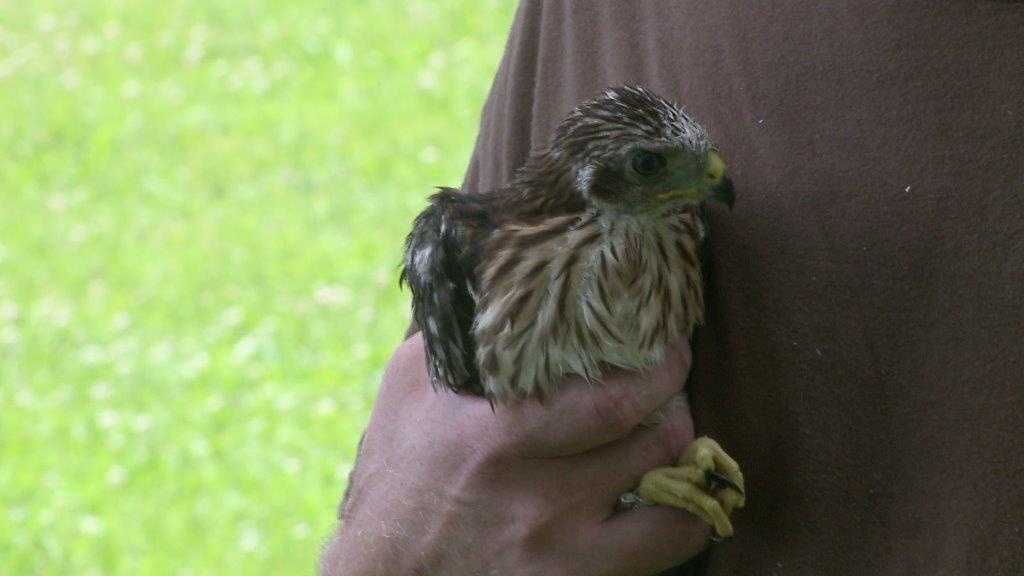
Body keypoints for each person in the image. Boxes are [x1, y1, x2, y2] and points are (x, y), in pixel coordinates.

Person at [323, 2, 1024, 575]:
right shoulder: (478, 244)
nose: (713, 179)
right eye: (658, 168)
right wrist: (396, 546)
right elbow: (465, 464)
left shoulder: (672, 233)